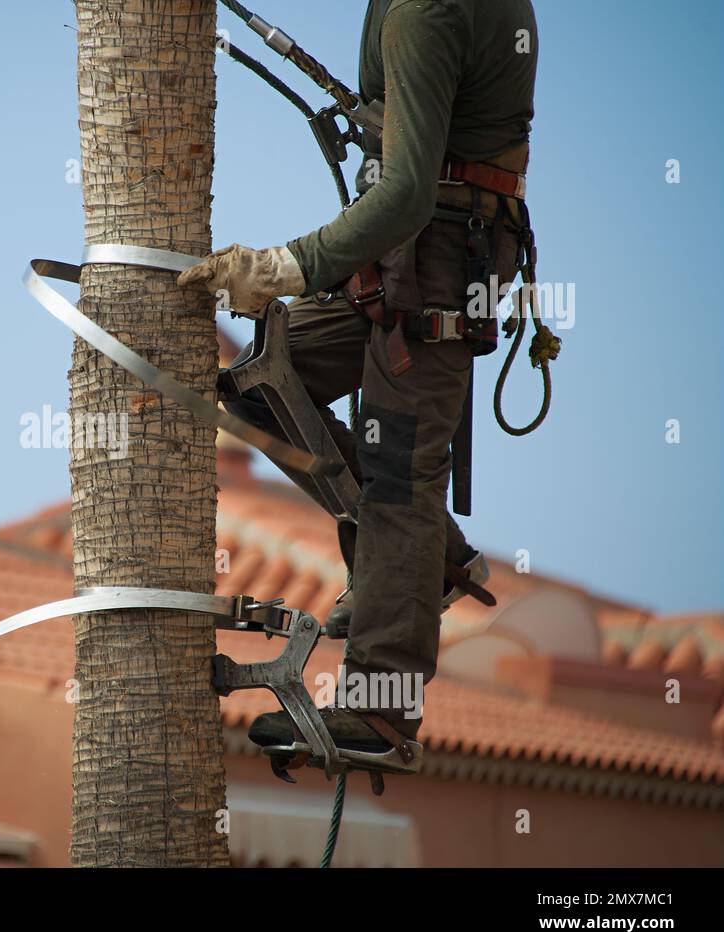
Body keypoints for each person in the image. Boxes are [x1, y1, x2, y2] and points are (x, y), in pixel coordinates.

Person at [178, 0, 538, 751]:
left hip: (441, 257)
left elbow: (405, 191)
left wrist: (284, 266)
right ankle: (421, 560)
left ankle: (381, 710)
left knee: (399, 468)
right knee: (261, 389)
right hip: (407, 253)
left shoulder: (427, 9)